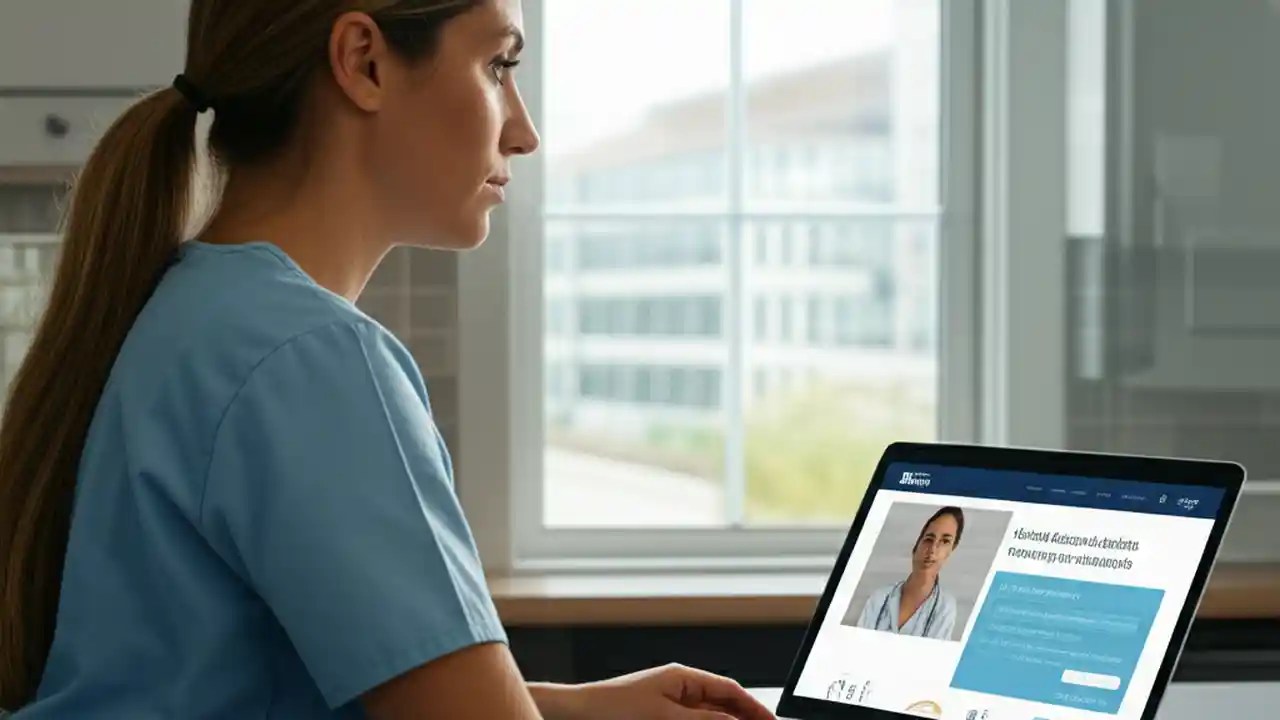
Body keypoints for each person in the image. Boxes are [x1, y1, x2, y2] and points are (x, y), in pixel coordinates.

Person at [0, 2, 776, 719]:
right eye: (498, 66)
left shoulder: (192, 309)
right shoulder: (312, 357)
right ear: (364, 62)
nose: (524, 131)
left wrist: (574, 709)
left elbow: (254, 686)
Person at [853, 507, 963, 640]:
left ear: (951, 550)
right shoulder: (879, 598)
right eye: (928, 539)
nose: (932, 549)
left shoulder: (945, 607)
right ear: (916, 547)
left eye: (945, 541)